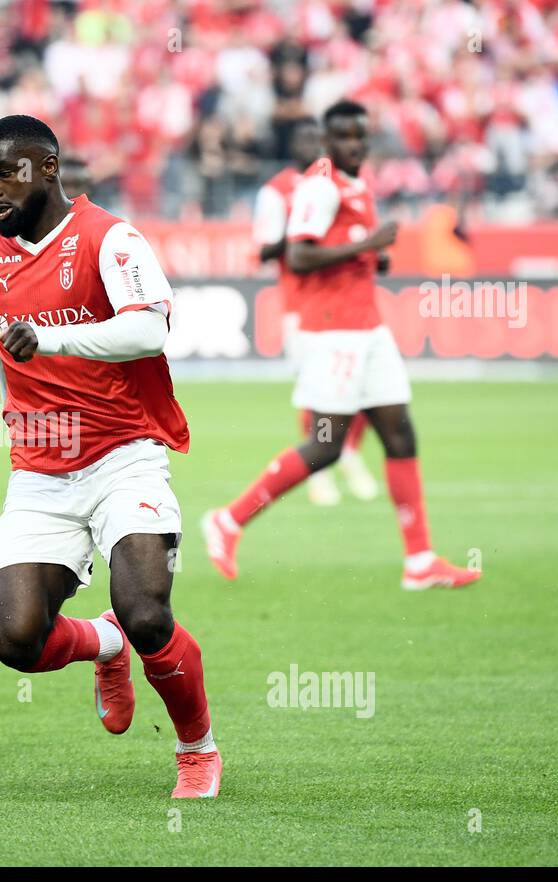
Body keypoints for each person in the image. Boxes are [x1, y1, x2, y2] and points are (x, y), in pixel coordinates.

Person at [0, 115, 220, 798]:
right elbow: (2, 338)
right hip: (40, 471)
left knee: (146, 611)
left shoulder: (112, 238)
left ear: (47, 166)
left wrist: (52, 344)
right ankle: (105, 647)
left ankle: (196, 751)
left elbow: (148, 326)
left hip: (124, 456)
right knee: (16, 640)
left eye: (4, 170)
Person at [203, 100, 480, 591]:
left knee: (400, 434)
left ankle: (419, 560)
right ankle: (229, 519)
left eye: (361, 136)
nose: (356, 144)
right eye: (345, 137)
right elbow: (300, 253)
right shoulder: (320, 185)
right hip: (332, 331)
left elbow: (344, 249)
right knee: (326, 446)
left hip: (367, 326)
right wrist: (365, 246)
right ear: (328, 142)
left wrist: (371, 259)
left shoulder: (355, 184)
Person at [253, 115, 377, 506]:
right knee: (317, 392)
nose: (311, 144)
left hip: (343, 304)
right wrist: (299, 228)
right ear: (292, 145)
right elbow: (264, 250)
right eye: (302, 137)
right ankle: (320, 472)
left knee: (360, 391)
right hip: (301, 305)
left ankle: (348, 452)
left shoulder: (336, 185)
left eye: (315, 137)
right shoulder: (276, 192)